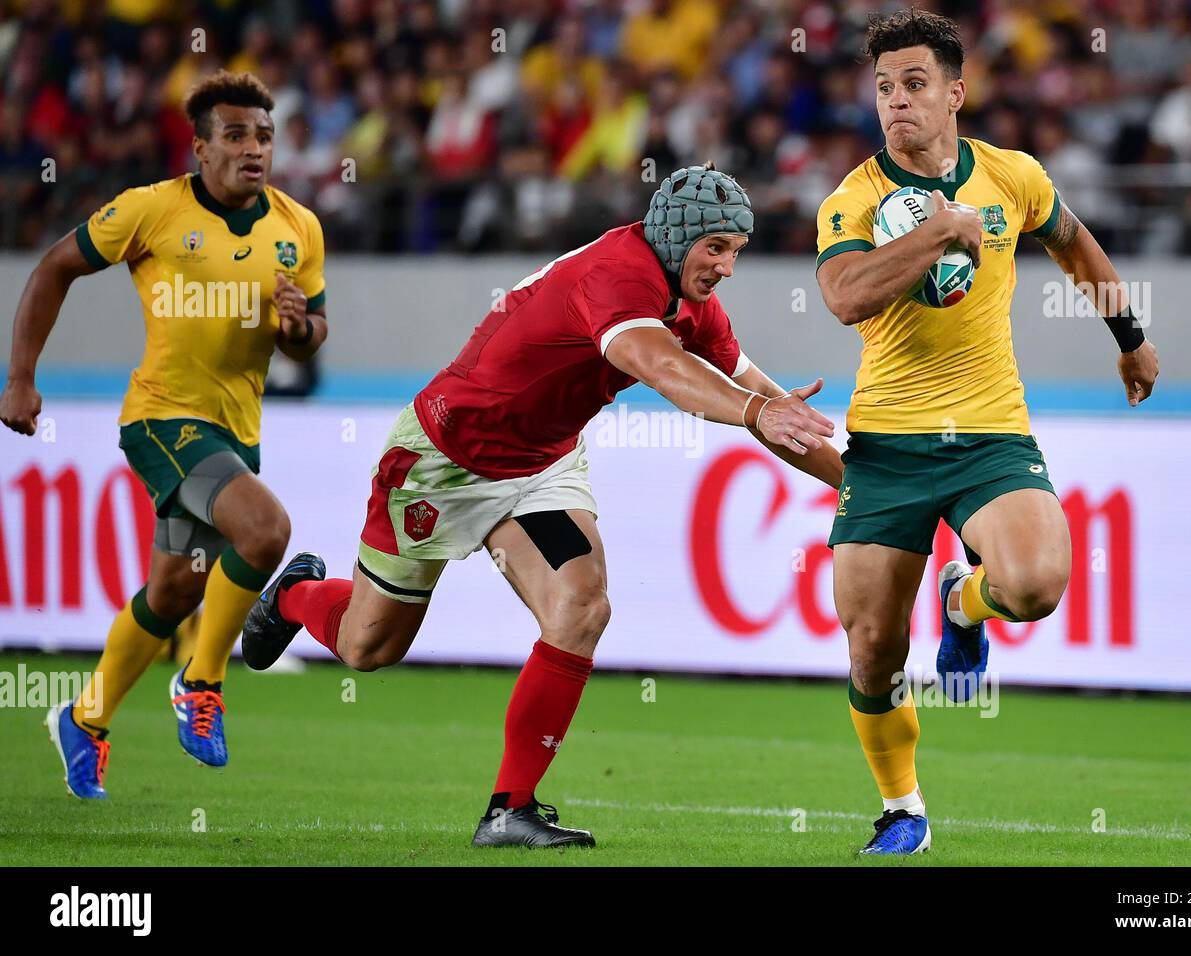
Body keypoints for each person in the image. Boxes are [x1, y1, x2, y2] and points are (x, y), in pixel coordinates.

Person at [242, 163, 844, 848]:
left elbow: (770, 407)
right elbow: (667, 371)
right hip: (446, 458)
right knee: (367, 647)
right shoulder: (618, 276)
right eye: (717, 248)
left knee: (582, 605)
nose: (728, 267)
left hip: (540, 466)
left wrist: (853, 485)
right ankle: (295, 595)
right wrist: (759, 411)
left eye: (736, 251)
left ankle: (510, 810)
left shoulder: (693, 303)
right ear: (677, 237)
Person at [814, 9, 1159, 855]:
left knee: (1037, 585)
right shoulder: (854, 198)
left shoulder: (1012, 176)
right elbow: (845, 297)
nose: (896, 101)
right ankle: (902, 809)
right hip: (887, 445)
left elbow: (1075, 246)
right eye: (884, 87)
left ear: (956, 93)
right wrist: (938, 230)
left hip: (989, 433)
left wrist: (1130, 336)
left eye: (915, 83)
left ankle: (962, 601)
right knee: (872, 649)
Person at [0, 71, 328, 798]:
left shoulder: (298, 228)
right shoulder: (151, 209)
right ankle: (202, 681)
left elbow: (310, 336)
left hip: (236, 431)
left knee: (175, 590)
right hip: (162, 419)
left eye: (264, 136)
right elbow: (55, 267)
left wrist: (299, 328)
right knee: (267, 530)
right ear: (201, 148)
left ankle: (84, 718)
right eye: (236, 136)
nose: (254, 149)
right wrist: (20, 377)